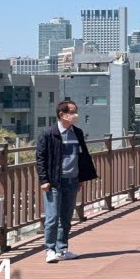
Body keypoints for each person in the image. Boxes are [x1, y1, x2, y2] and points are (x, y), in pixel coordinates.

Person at [35, 99, 98, 263]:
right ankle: (50, 249)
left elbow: (82, 156)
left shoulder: (77, 132)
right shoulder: (49, 134)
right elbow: (40, 159)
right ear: (62, 114)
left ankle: (62, 249)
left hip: (72, 179)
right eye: (72, 112)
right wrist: (44, 180)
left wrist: (81, 177)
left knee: (66, 217)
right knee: (52, 217)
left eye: (75, 111)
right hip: (55, 181)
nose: (75, 115)